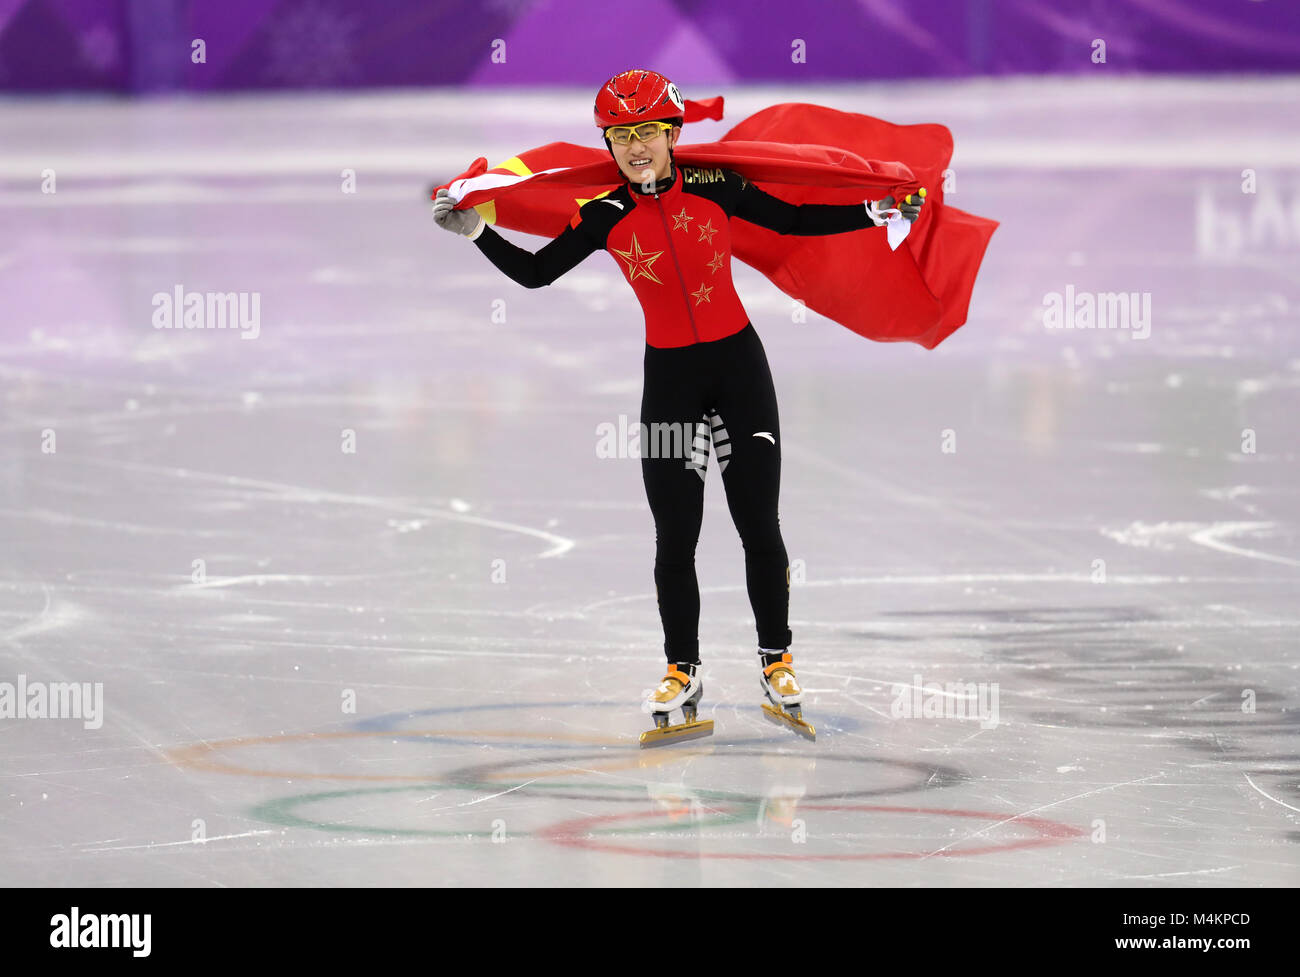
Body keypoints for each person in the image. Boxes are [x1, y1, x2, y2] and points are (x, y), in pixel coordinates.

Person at [433, 69, 923, 740]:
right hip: (670, 383)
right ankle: (681, 668)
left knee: (758, 522)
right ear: (608, 143)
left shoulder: (716, 186)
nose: (635, 148)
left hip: (739, 372)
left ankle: (776, 661)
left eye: (647, 133)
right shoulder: (604, 212)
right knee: (675, 536)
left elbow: (794, 220)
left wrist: (877, 211)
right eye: (621, 136)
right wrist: (476, 232)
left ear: (673, 133)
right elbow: (537, 273)